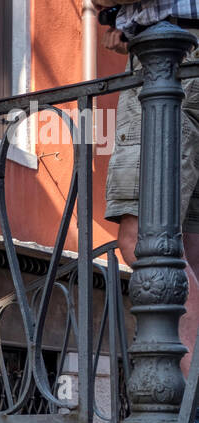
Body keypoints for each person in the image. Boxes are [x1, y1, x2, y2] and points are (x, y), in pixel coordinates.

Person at [98, 1, 199, 376]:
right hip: (182, 54)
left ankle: (182, 417)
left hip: (169, 63)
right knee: (186, 250)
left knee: (144, 241)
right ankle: (189, 422)